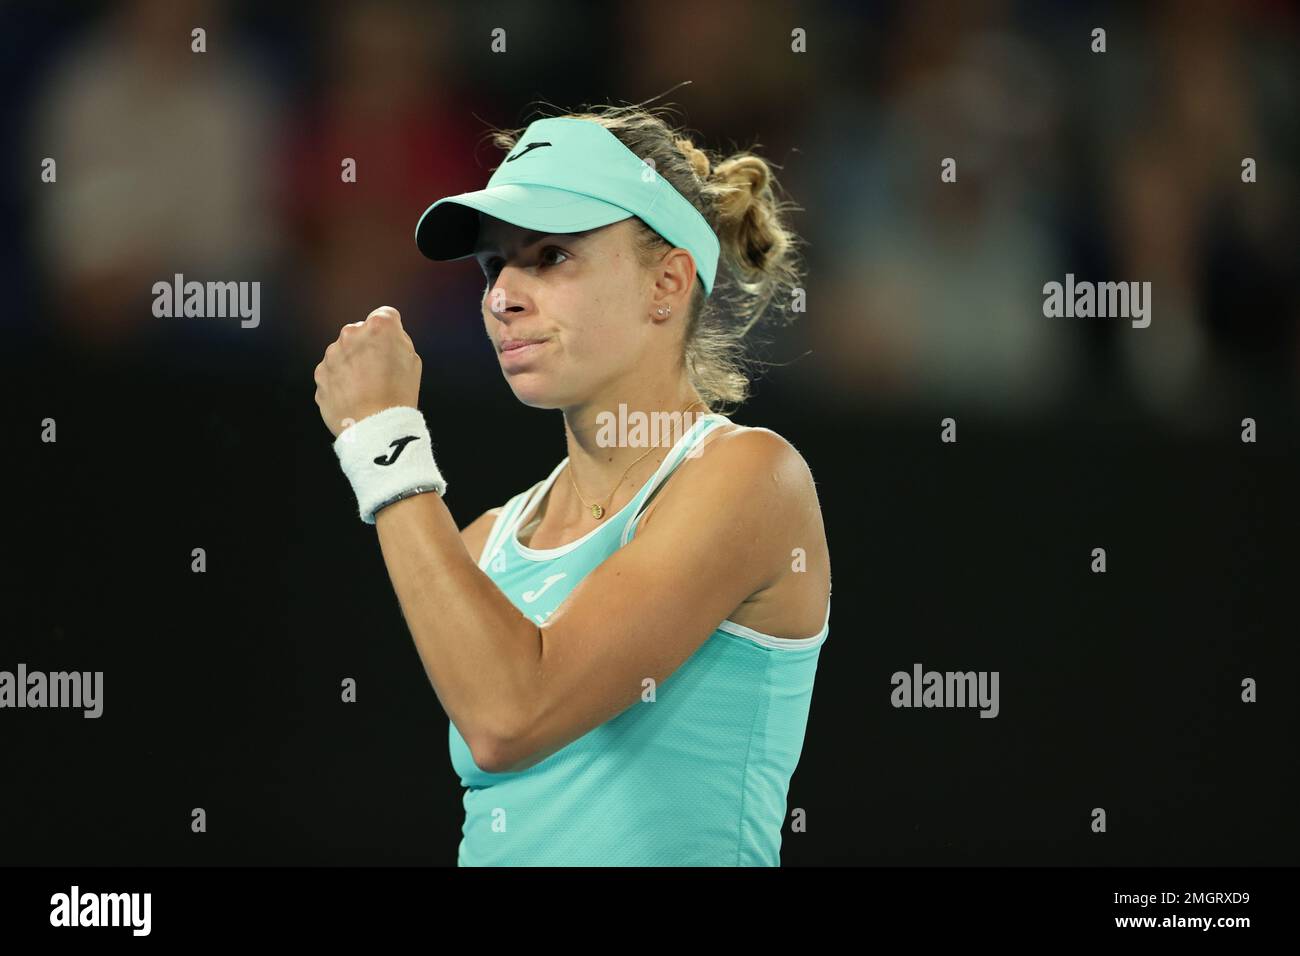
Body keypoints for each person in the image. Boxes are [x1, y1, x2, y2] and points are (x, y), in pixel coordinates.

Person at [313, 101, 831, 865]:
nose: (501, 297)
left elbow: (508, 719)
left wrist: (384, 442)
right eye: (495, 265)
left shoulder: (752, 478)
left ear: (667, 282)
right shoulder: (483, 541)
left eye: (551, 256)